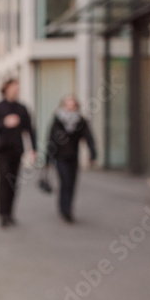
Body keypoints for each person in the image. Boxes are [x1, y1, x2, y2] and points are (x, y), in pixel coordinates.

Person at [0, 79, 37, 227]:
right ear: (6, 88)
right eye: (14, 87)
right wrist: (4, 123)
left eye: (18, 87)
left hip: (16, 150)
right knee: (4, 179)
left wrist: (34, 149)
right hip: (1, 150)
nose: (16, 89)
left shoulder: (22, 108)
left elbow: (30, 129)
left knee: (13, 182)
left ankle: (10, 213)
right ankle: (2, 214)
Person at [45, 95, 96, 223]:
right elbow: (51, 140)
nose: (70, 107)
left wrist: (93, 153)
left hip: (73, 157)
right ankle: (64, 209)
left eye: (72, 104)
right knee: (65, 181)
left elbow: (88, 137)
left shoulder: (80, 121)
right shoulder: (57, 120)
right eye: (68, 104)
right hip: (60, 157)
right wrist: (48, 159)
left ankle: (68, 208)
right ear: (63, 105)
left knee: (72, 184)